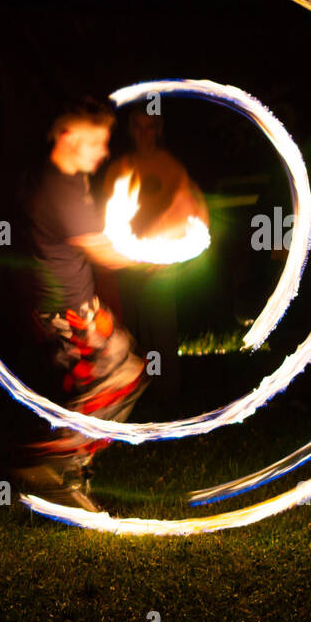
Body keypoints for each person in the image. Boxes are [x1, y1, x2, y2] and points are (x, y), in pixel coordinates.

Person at [17, 97, 153, 510]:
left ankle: (69, 468)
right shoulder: (61, 190)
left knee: (116, 378)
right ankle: (55, 466)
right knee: (120, 379)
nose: (105, 150)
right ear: (69, 136)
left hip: (79, 309)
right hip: (69, 316)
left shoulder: (68, 178)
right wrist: (162, 255)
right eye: (97, 140)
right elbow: (104, 252)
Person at [100, 107, 208, 410]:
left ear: (159, 129)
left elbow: (190, 211)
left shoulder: (170, 167)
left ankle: (167, 400)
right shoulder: (119, 169)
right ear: (131, 130)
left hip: (160, 271)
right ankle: (139, 400)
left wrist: (169, 249)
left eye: (151, 126)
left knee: (160, 333)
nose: (145, 133)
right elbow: (108, 220)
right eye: (139, 126)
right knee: (132, 336)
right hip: (128, 268)